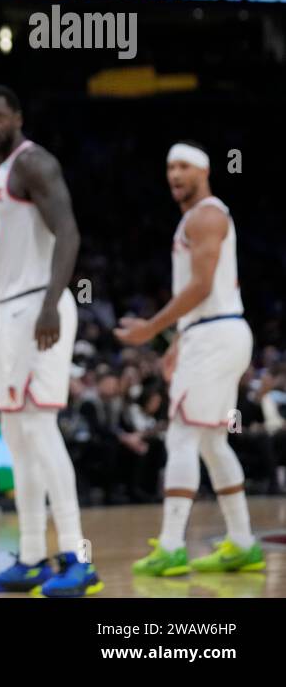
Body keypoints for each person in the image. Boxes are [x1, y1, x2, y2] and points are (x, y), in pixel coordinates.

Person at [0, 86, 98, 597]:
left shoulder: (34, 163)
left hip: (39, 306)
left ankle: (79, 558)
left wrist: (48, 302)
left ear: (17, 117)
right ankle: (34, 556)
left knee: (40, 427)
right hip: (10, 308)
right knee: (17, 436)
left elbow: (68, 233)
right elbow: (9, 258)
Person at [117, 141, 264, 576]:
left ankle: (171, 547)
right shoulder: (196, 218)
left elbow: (200, 286)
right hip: (214, 331)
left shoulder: (206, 216)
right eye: (169, 168)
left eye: (183, 166)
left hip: (215, 333)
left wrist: (152, 330)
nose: (174, 175)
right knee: (213, 442)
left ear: (204, 170)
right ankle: (241, 543)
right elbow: (206, 293)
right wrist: (179, 341)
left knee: (181, 436)